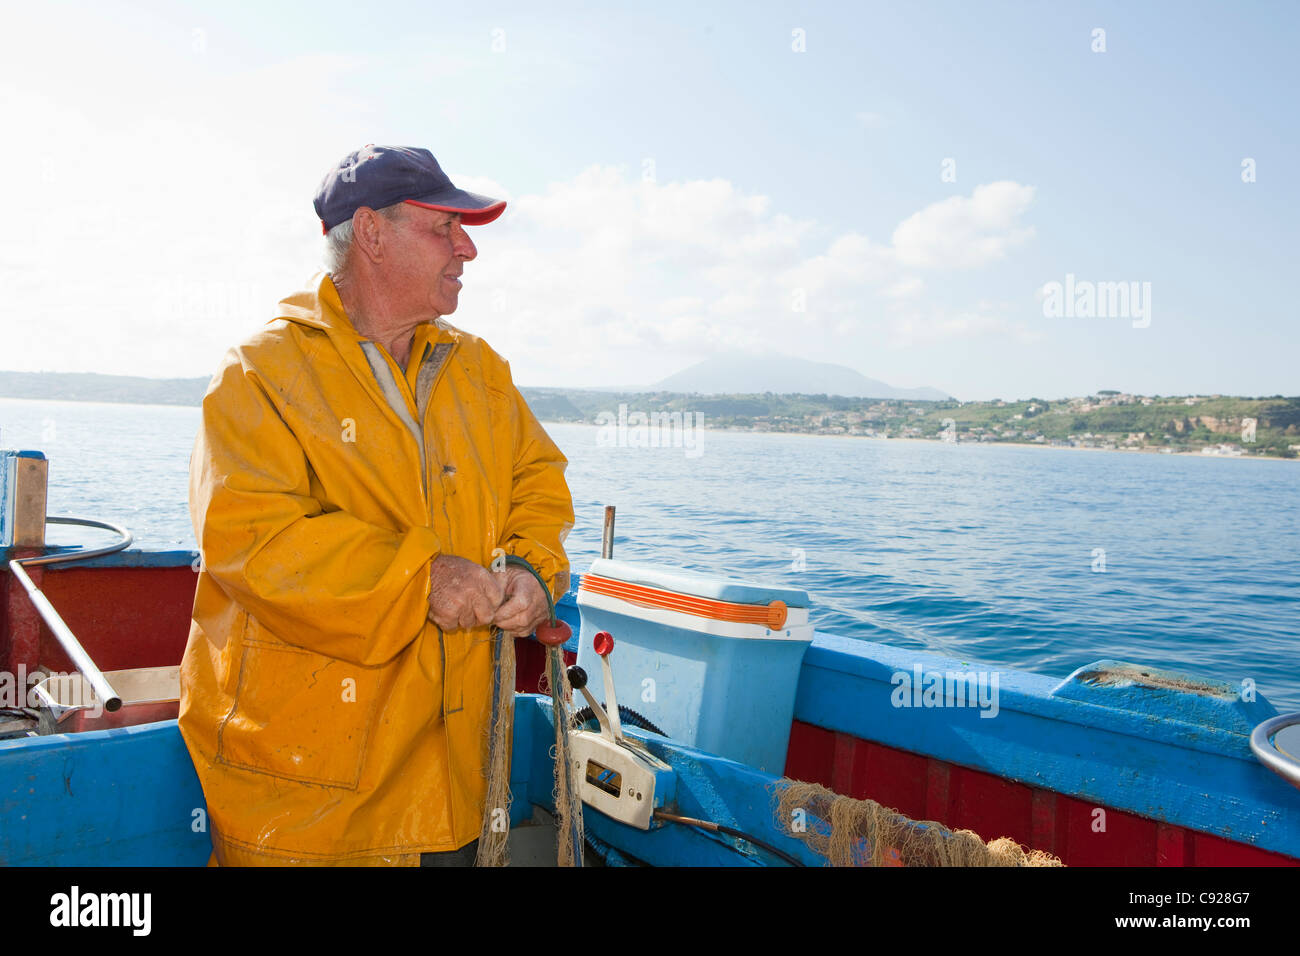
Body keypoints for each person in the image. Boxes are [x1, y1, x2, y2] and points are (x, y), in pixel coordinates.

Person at [179, 145, 575, 866]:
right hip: (311, 801)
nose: (468, 249)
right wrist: (420, 579)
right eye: (443, 228)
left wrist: (529, 568)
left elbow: (538, 483)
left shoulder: (479, 371)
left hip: (456, 786)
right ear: (370, 233)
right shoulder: (259, 372)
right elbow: (251, 538)